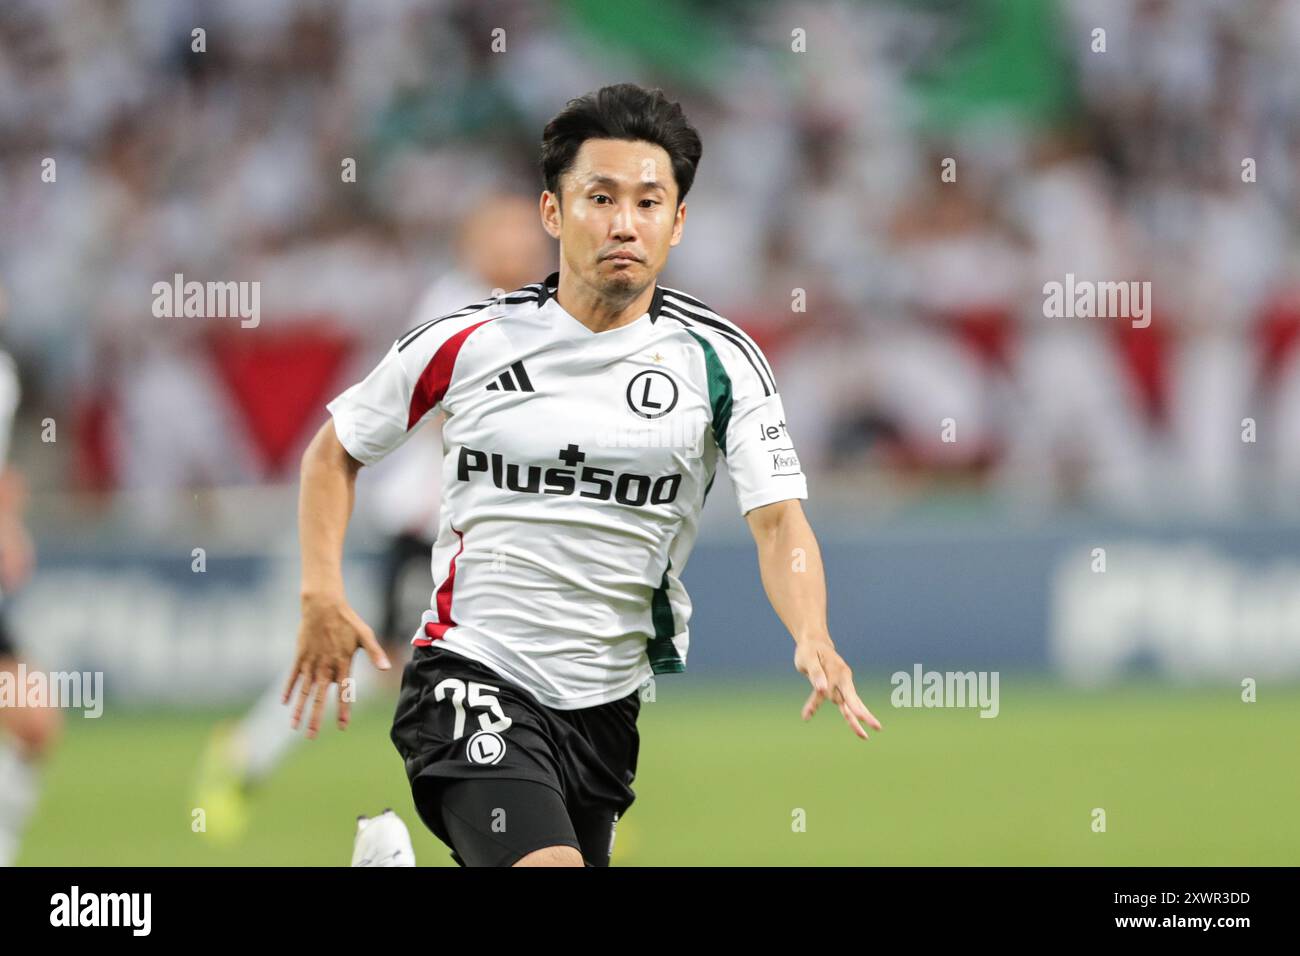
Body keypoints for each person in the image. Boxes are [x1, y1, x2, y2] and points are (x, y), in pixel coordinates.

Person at [285, 83, 882, 867]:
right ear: (553, 212)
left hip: (605, 709)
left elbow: (778, 521)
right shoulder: (469, 341)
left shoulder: (721, 362)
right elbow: (335, 450)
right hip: (471, 671)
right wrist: (321, 591)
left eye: (648, 201)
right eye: (601, 198)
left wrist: (812, 631)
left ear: (677, 221)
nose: (624, 223)